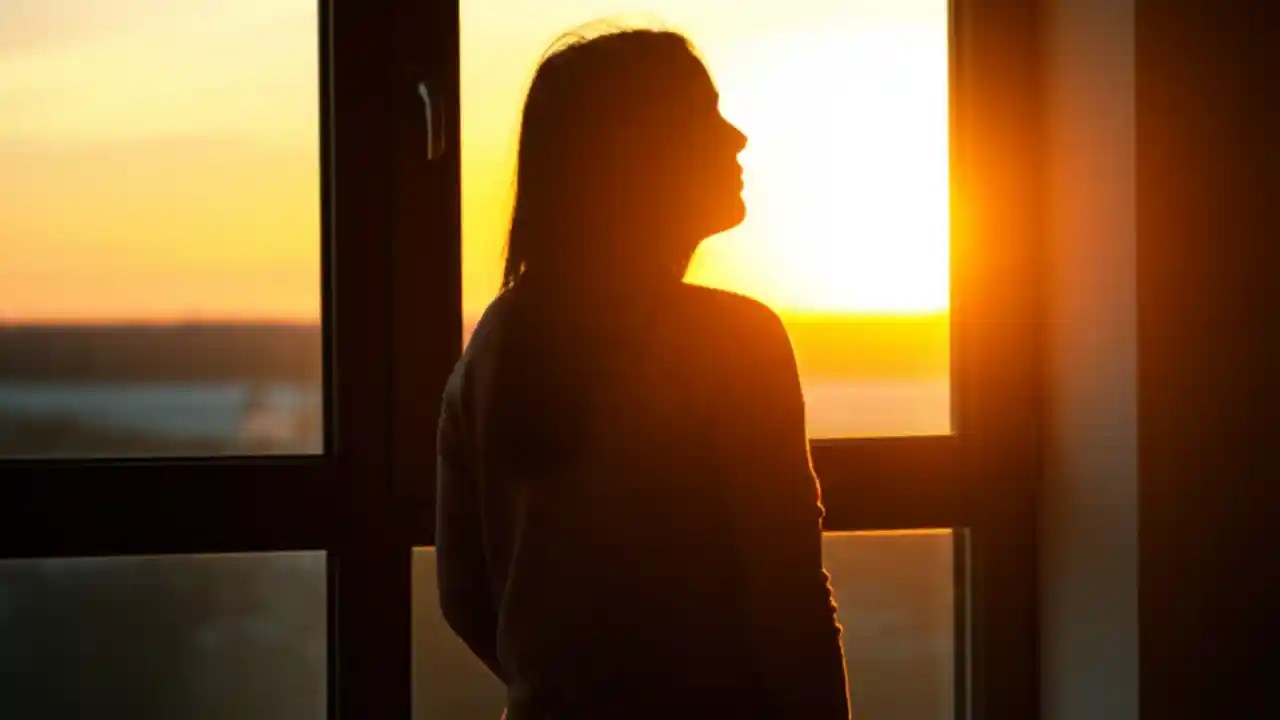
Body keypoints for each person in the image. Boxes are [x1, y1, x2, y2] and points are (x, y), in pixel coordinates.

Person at [436, 27, 850, 720]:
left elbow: (465, 596)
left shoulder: (497, 344)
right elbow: (791, 605)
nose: (738, 138)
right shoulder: (731, 342)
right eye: (706, 116)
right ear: (642, 152)